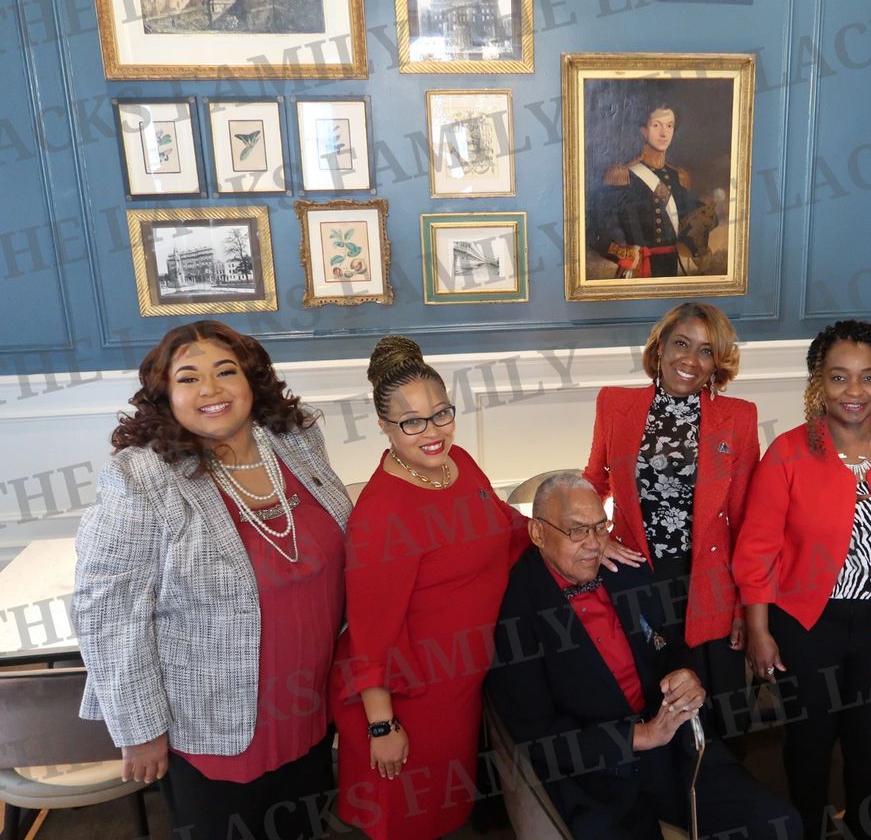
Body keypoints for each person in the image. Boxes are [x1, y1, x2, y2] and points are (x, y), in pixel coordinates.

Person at [328, 335, 640, 839]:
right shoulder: (381, 516)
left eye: (441, 414)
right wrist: (381, 726)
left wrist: (579, 540)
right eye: (411, 422)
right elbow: (369, 635)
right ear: (384, 426)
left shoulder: (460, 464)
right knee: (406, 819)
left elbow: (508, 530)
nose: (431, 432)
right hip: (408, 698)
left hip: (461, 683)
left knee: (446, 812)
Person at [74, 321, 353, 840]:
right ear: (165, 395)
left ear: (252, 381)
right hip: (210, 727)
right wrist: (142, 731)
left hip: (310, 711)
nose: (211, 389)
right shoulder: (142, 477)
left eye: (226, 371)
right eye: (189, 378)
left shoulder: (297, 443)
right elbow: (107, 614)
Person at [487, 473, 802, 839]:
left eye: (599, 527)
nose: (593, 544)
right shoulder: (517, 610)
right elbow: (538, 737)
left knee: (778, 824)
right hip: (598, 775)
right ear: (538, 533)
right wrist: (641, 736)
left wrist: (687, 676)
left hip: (675, 751)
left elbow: (671, 646)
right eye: (576, 531)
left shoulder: (625, 570)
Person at [733, 319, 871, 840]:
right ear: (818, 383)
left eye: (868, 378)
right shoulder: (787, 451)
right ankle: (810, 828)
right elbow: (756, 550)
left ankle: (867, 829)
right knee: (809, 739)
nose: (854, 392)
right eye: (839, 377)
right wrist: (758, 629)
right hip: (805, 625)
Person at [583, 302, 759, 739]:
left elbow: (746, 522)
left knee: (716, 709)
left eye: (705, 351)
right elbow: (594, 480)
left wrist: (743, 606)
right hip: (636, 576)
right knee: (650, 694)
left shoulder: (738, 417)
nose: (690, 360)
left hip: (710, 582)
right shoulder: (615, 403)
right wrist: (596, 537)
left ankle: (720, 792)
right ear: (659, 347)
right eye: (681, 344)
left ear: (716, 364)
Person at [589, 102, 713, 278]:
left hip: (672, 268)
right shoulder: (622, 176)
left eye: (669, 126)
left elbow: (698, 216)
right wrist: (622, 254)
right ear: (644, 130)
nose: (664, 133)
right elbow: (594, 230)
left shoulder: (678, 177)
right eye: (656, 125)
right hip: (639, 269)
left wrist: (695, 246)